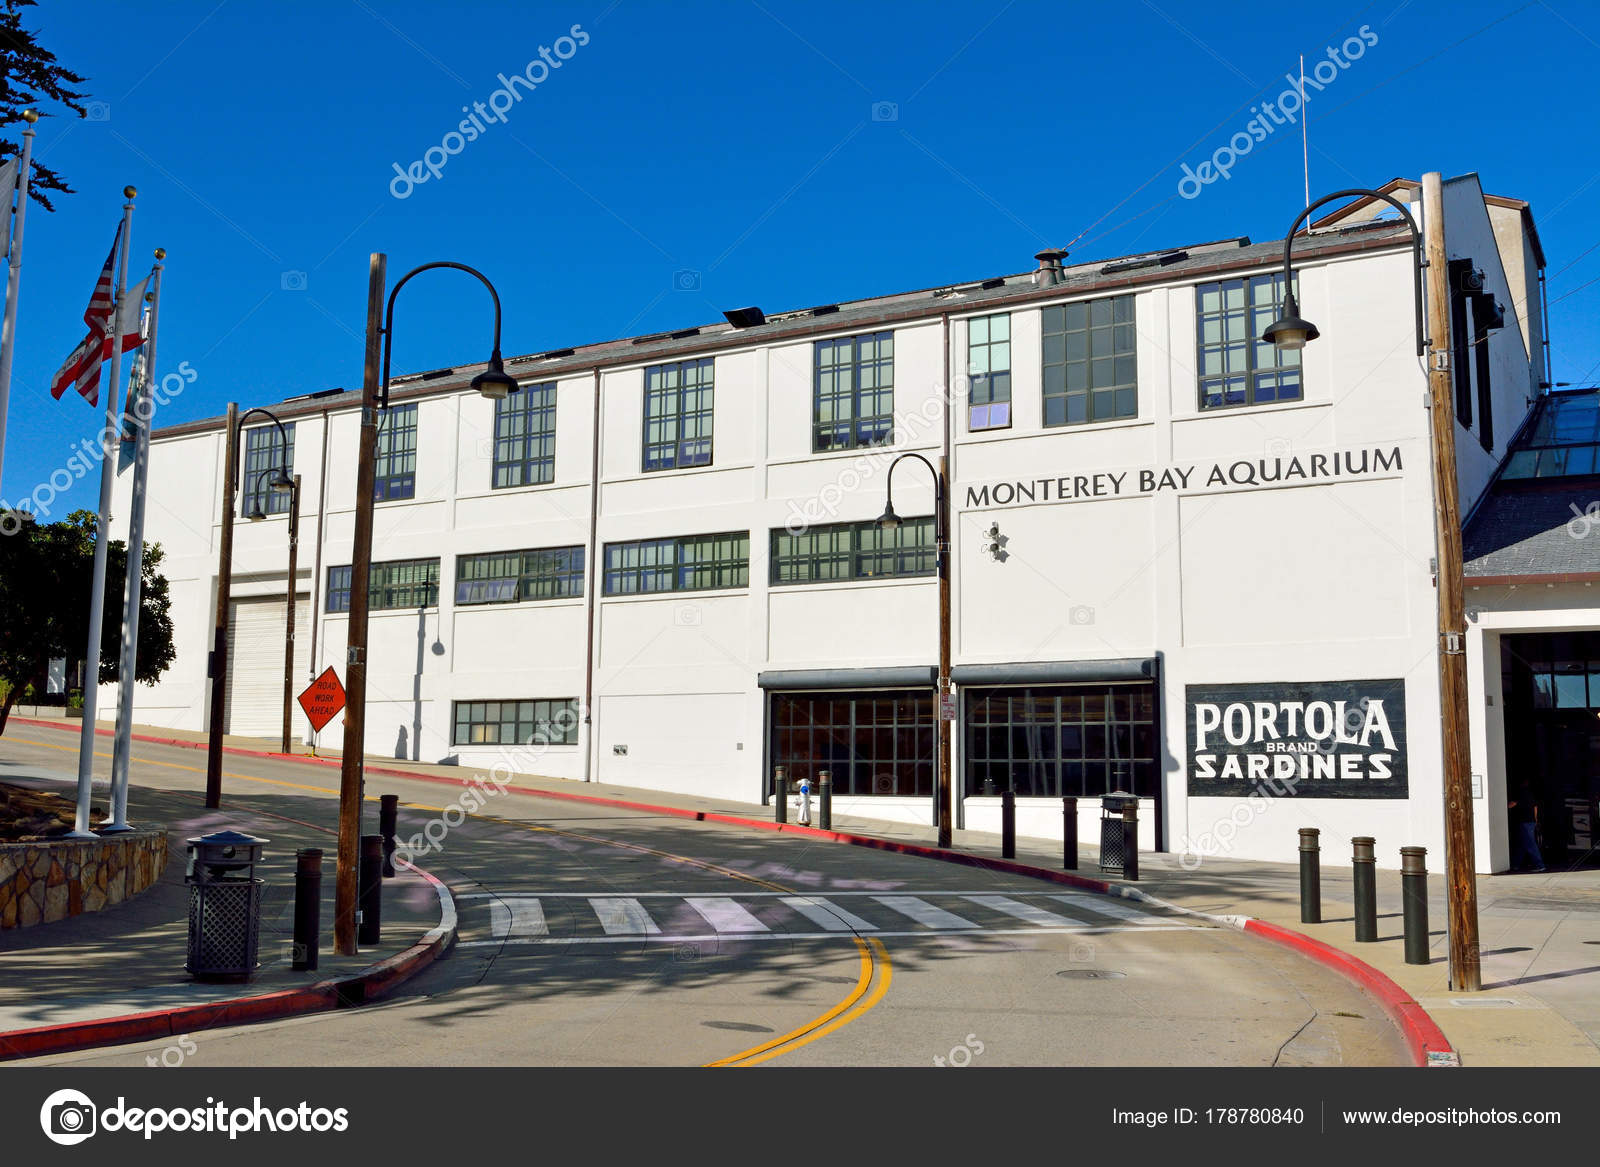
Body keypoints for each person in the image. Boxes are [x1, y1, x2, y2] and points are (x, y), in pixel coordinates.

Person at [1508, 780, 1545, 873]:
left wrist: (1503, 806)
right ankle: (1515, 864)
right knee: (1522, 844)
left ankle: (1539, 865)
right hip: (1531, 821)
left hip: (1524, 821)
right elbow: (1535, 807)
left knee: (1530, 843)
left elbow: (1512, 804)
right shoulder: (1531, 794)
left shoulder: (1519, 793)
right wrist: (1536, 819)